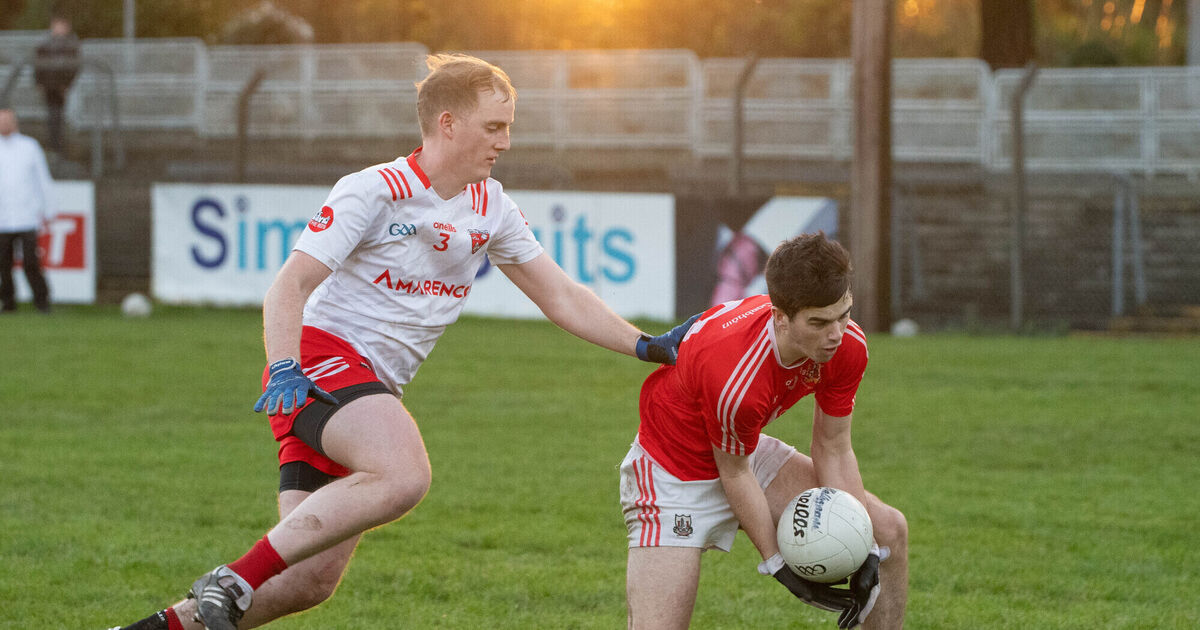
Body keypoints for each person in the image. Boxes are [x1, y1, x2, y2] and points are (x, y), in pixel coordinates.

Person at [111, 53, 691, 630]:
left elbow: (560, 296)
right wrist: (285, 366)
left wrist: (646, 346)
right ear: (448, 123)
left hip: (369, 391)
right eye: (494, 127)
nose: (506, 142)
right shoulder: (374, 189)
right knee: (404, 474)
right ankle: (232, 578)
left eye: (509, 127)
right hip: (317, 365)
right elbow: (289, 287)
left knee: (306, 581)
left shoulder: (493, 207)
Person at [620, 232, 909, 629]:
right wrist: (777, 562)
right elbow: (733, 472)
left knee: (888, 532)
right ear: (780, 317)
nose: (836, 334)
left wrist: (865, 545)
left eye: (843, 314)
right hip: (672, 473)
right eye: (819, 322)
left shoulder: (847, 346)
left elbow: (834, 445)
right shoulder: (736, 375)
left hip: (742, 449)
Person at [0, 107, 54, 314]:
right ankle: (8, 303)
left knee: (31, 262)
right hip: (2, 218)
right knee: (3, 265)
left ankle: (42, 301)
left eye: (7, 120)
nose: (4, 124)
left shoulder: (29, 147)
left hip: (26, 216)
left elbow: (42, 180)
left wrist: (49, 210)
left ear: (15, 122)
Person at [33, 14, 80, 156]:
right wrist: (39, 82)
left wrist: (66, 84)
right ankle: (52, 145)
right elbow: (38, 64)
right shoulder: (45, 43)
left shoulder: (71, 44)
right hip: (49, 85)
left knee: (58, 115)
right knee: (51, 115)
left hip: (61, 86)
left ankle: (58, 146)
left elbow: (74, 67)